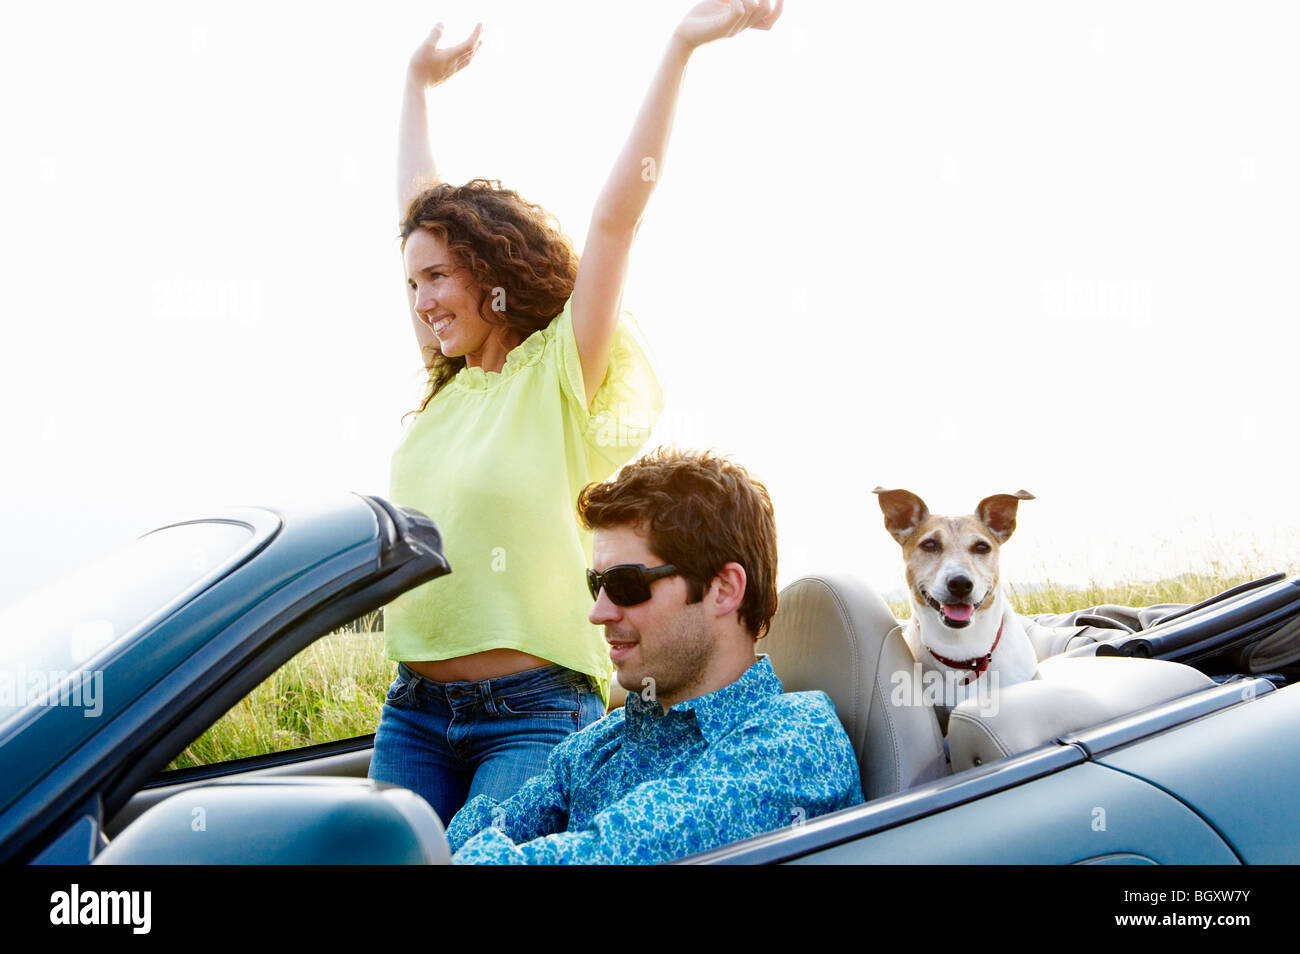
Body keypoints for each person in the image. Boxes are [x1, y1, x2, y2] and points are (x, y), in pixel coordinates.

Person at [368, 0, 786, 825]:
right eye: (412, 283)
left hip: (530, 713)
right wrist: (415, 86)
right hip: (413, 710)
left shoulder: (559, 372)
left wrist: (681, 47)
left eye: (438, 279)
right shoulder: (448, 386)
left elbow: (615, 219)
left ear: (489, 274)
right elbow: (418, 209)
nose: (422, 301)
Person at [447, 449, 865, 864]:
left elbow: (610, 855)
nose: (599, 612)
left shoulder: (796, 742)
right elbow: (477, 835)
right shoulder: (597, 747)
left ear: (724, 589)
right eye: (598, 585)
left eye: (626, 584)